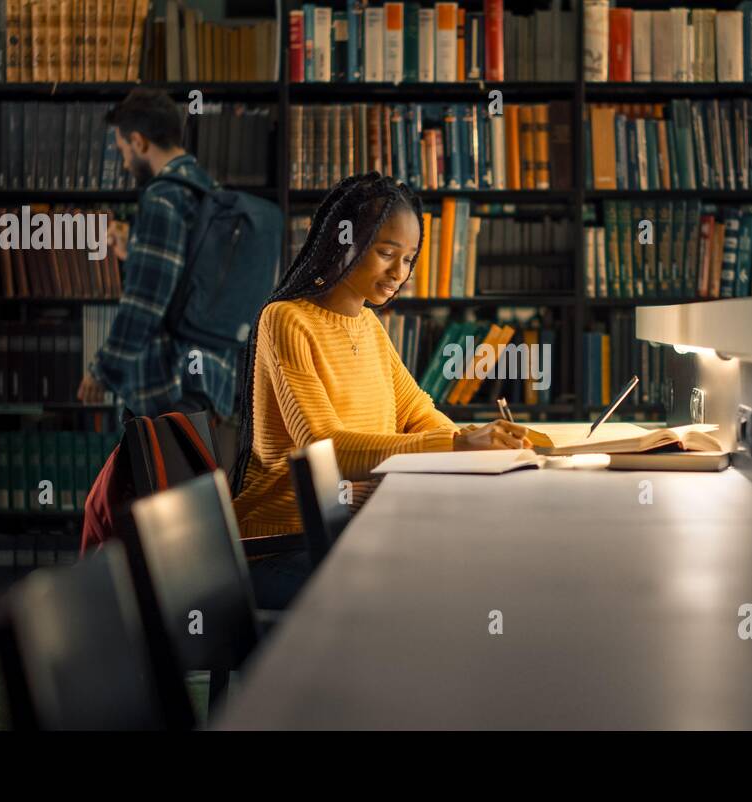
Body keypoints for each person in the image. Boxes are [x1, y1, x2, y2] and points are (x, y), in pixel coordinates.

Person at [230, 173, 529, 607]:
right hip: (280, 543)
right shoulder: (286, 320)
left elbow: (418, 413)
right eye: (386, 253)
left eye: (408, 259)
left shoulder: (368, 325)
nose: (399, 273)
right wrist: (456, 444)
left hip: (343, 528)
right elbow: (323, 447)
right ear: (342, 241)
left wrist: (476, 447)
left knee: (473, 564)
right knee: (434, 589)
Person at [76, 88, 239, 430]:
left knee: (165, 483)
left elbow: (145, 303)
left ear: (139, 142)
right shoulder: (209, 190)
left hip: (170, 386)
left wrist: (102, 371)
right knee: (198, 483)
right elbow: (187, 281)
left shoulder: (162, 198)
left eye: (122, 150)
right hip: (211, 382)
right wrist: (135, 250)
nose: (123, 162)